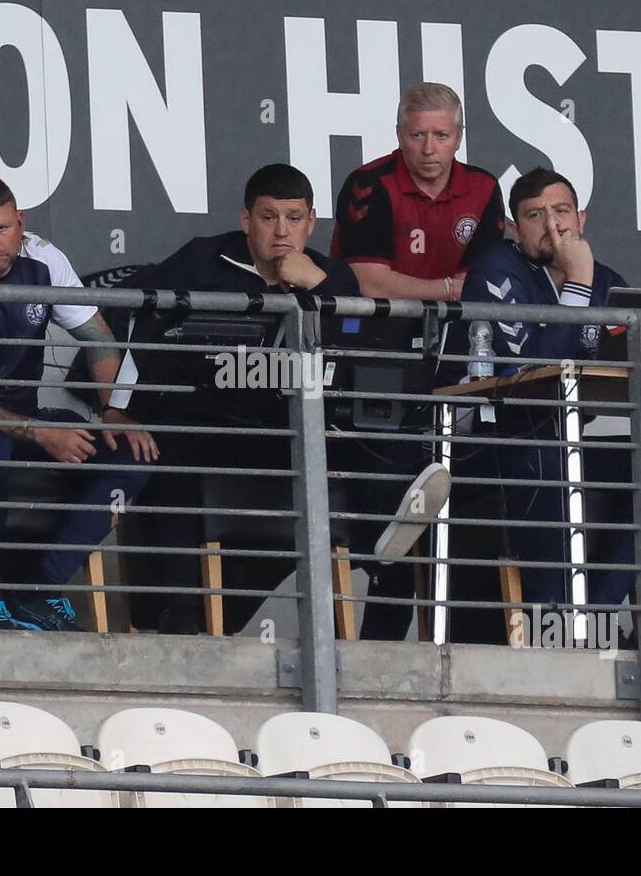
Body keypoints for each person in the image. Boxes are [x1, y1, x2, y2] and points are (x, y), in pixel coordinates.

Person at [115, 164, 448, 637]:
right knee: (171, 461)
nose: (281, 232)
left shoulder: (329, 275)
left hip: (294, 429)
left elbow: (367, 351)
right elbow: (131, 315)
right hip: (210, 422)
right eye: (269, 217)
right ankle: (179, 625)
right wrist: (121, 410)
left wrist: (320, 288)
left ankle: (382, 582)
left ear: (312, 222)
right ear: (245, 219)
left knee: (387, 453)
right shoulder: (203, 260)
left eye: (293, 219)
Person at [0, 172, 158, 631]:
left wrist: (113, 411)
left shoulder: (44, 258)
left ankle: (40, 588)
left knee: (131, 452)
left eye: (3, 228)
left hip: (28, 414)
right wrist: (39, 433)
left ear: (20, 222)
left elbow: (97, 336)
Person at [449, 166, 641, 616]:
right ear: (512, 228)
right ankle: (555, 619)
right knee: (549, 460)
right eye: (535, 215)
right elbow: (530, 371)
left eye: (561, 212)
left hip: (566, 441)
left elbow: (634, 361)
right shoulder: (497, 267)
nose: (552, 225)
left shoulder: (607, 279)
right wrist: (578, 282)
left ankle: (593, 615)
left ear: (581, 220)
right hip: (495, 444)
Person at [331, 82, 505, 301]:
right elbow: (370, 284)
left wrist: (456, 290)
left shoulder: (483, 187)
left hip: (453, 328)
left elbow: (476, 281)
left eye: (441, 136)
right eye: (418, 135)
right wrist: (450, 289)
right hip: (375, 325)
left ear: (459, 138)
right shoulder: (368, 184)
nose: (429, 149)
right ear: (400, 135)